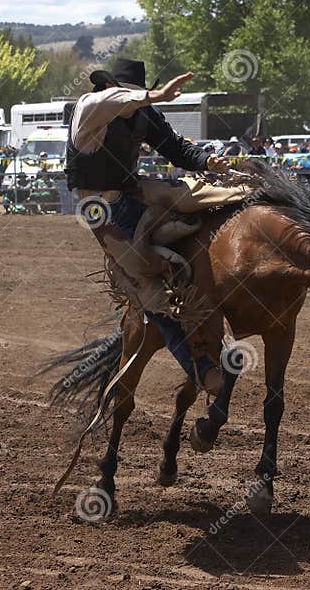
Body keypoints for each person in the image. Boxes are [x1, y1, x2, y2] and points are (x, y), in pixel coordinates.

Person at [66, 58, 249, 394]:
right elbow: (116, 100)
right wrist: (156, 95)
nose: (132, 100)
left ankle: (254, 191)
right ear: (108, 88)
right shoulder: (90, 109)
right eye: (127, 94)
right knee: (149, 288)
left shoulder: (143, 113)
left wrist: (207, 161)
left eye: (136, 95)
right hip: (100, 208)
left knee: (196, 196)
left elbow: (174, 147)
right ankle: (201, 369)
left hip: (133, 190)